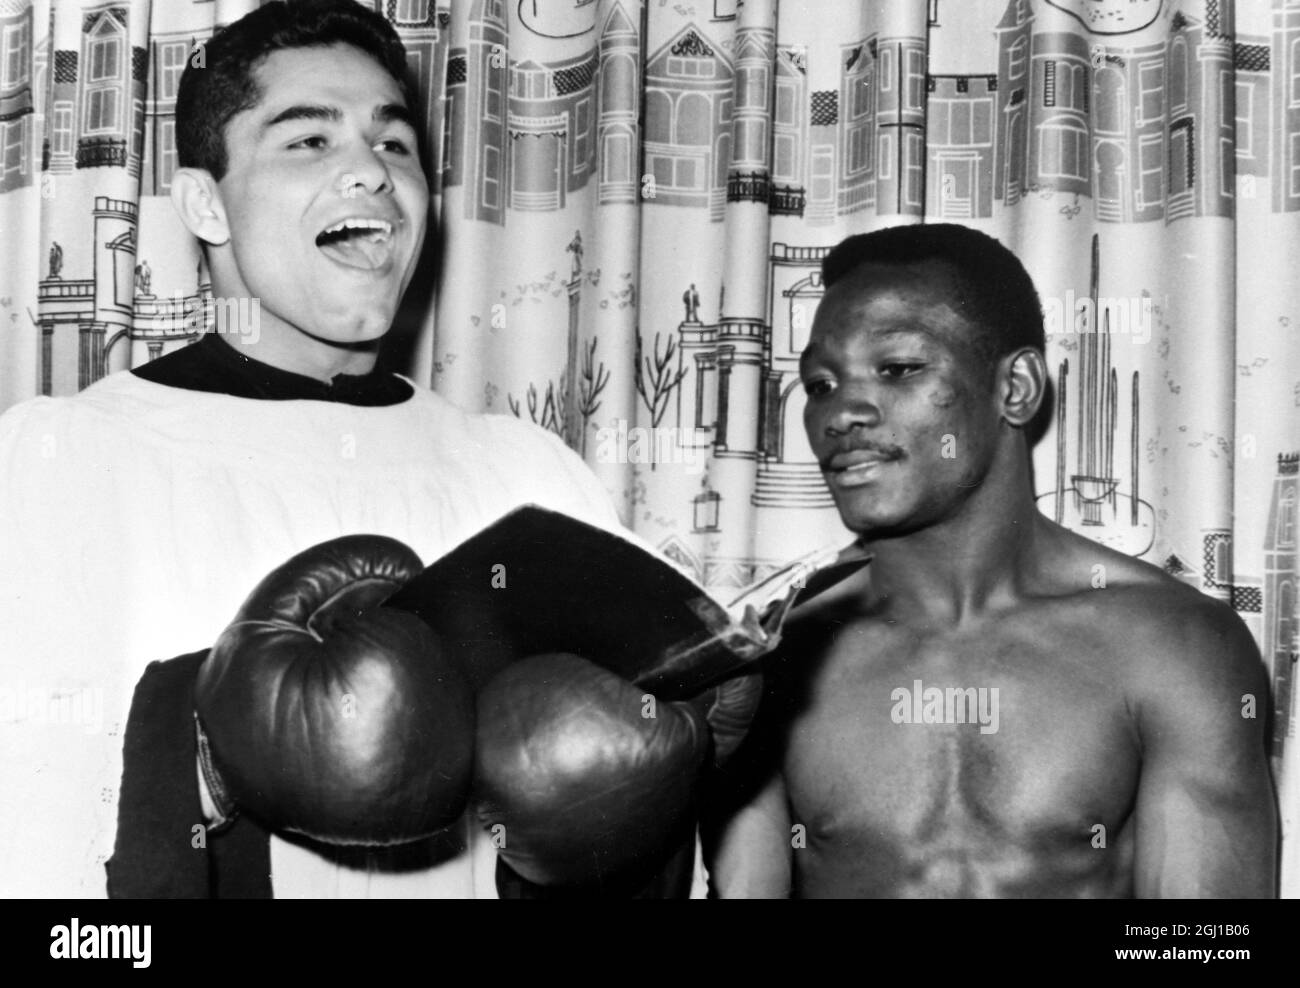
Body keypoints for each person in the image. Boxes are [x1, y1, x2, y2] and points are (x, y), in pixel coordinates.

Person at [0, 0, 632, 898]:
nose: (369, 172)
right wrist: (208, 764)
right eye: (308, 141)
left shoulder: (528, 478)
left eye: (395, 144)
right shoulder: (64, 466)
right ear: (206, 204)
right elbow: (31, 840)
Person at [704, 223, 1278, 898]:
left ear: (1016, 387)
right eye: (822, 383)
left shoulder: (1175, 646)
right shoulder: (773, 659)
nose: (842, 412)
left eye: (898, 369)